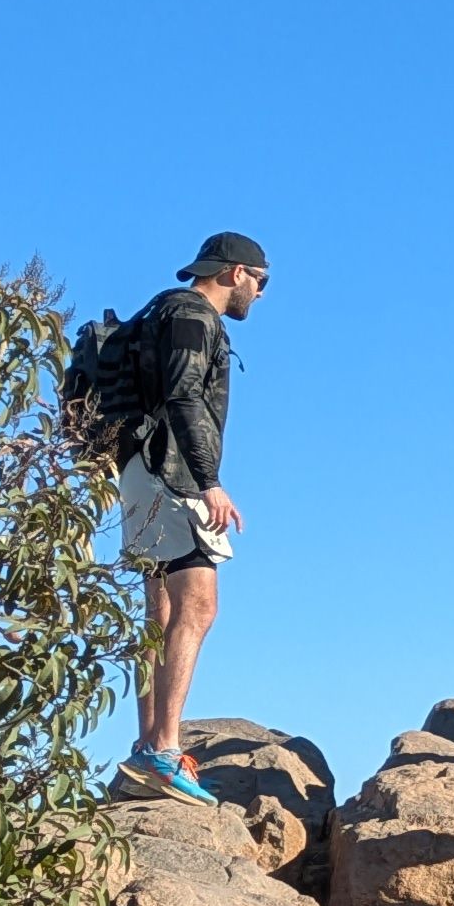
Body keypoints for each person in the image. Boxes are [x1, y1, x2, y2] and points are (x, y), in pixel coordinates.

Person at [112, 232, 268, 804]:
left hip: (139, 468)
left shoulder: (162, 312)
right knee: (199, 604)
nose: (260, 292)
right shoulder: (194, 317)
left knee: (163, 609)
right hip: (171, 472)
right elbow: (183, 398)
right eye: (260, 279)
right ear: (233, 273)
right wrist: (210, 482)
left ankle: (147, 748)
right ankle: (161, 750)